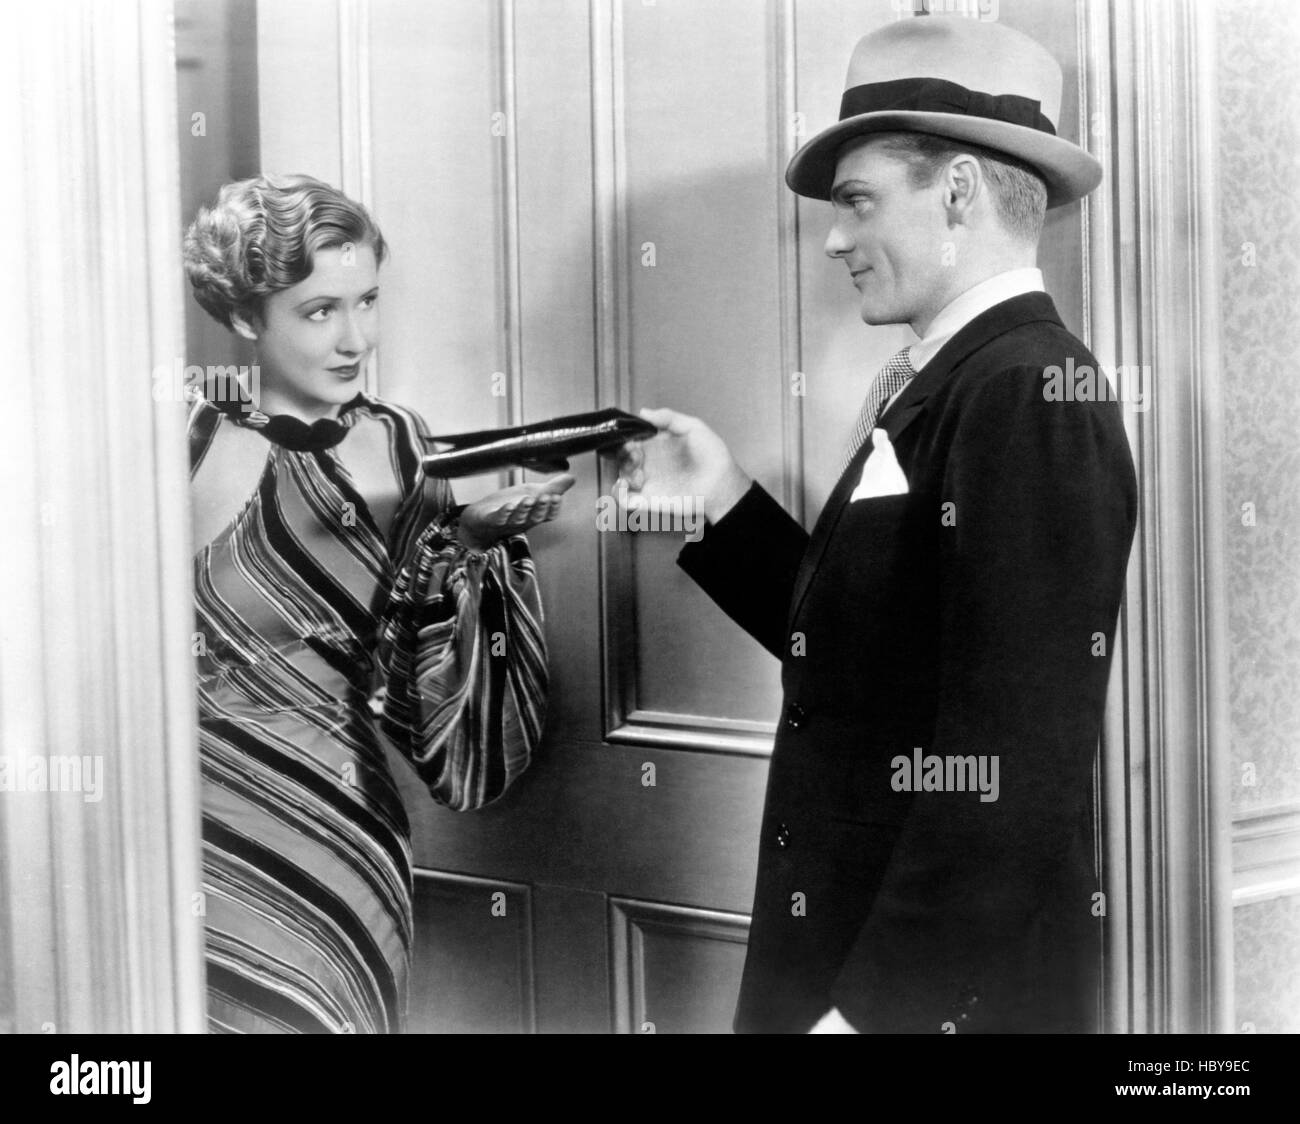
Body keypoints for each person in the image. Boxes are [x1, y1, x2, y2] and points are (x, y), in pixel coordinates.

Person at [618, 17, 1137, 1033]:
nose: (833, 237)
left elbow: (1008, 760)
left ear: (956, 192)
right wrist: (719, 497)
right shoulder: (958, 378)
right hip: (854, 957)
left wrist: (872, 1014)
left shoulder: (1029, 389)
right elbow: (866, 661)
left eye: (857, 201)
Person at [183, 173, 572, 1033]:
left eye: (367, 302)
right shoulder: (187, 446)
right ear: (248, 317)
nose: (355, 338)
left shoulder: (400, 441)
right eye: (320, 310)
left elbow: (414, 649)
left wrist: (472, 538)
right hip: (198, 835)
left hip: (349, 835)